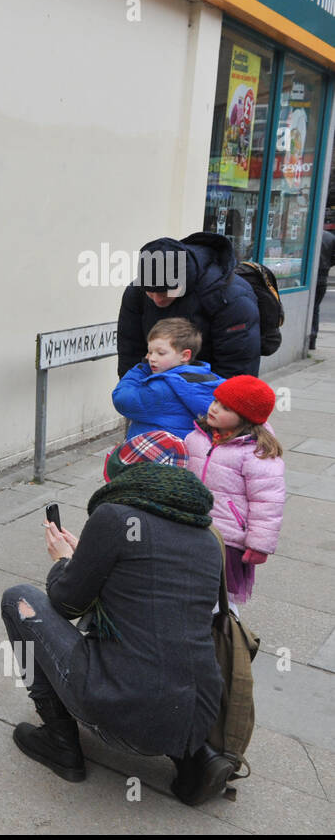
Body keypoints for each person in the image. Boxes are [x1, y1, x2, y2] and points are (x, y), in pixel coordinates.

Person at [1, 432, 230, 805]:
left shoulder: (115, 517)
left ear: (128, 478)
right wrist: (87, 560)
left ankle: (60, 743)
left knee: (18, 601)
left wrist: (63, 562)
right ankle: (193, 757)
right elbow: (144, 593)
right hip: (197, 715)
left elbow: (64, 604)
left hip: (123, 714)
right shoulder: (208, 537)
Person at [184, 375, 285, 615]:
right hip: (193, 527)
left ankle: (226, 638)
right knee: (190, 588)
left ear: (246, 418)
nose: (214, 408)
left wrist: (259, 544)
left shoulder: (257, 453)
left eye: (226, 407)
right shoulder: (196, 437)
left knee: (221, 600)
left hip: (228, 538)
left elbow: (268, 501)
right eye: (216, 401)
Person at [116, 233, 260, 380]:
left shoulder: (230, 298)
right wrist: (130, 390)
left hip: (208, 391)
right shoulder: (136, 292)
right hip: (156, 389)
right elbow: (130, 350)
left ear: (184, 280)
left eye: (165, 292)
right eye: (150, 292)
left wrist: (214, 400)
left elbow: (237, 366)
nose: (157, 300)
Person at [111, 317, 222, 439]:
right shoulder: (209, 380)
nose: (151, 358)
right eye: (150, 352)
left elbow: (122, 400)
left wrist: (140, 369)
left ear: (185, 355)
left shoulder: (162, 388)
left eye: (160, 353)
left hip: (155, 453)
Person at [311, 224, 334, 350]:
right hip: (322, 276)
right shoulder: (330, 237)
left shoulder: (310, 235)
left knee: (313, 308)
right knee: (315, 309)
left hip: (313, 275)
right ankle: (312, 340)